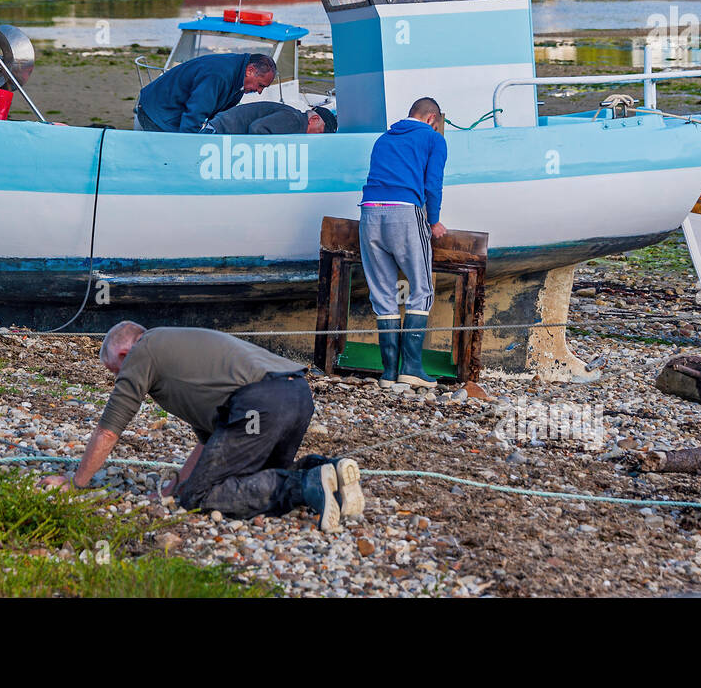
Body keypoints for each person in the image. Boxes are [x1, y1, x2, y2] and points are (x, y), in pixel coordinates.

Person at [41, 323, 363, 533]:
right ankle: (330, 474)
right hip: (295, 395)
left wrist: (76, 483)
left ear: (124, 354)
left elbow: (109, 429)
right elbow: (212, 443)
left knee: (202, 495)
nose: (120, 379)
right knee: (250, 481)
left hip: (260, 406)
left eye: (116, 372)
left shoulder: (142, 352)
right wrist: (177, 485)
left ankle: (306, 484)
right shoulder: (179, 351)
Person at [359, 97, 449, 390]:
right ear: (431, 118)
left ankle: (388, 375)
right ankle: (411, 368)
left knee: (382, 293)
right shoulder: (433, 139)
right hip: (404, 213)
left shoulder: (384, 138)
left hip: (370, 213)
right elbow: (432, 184)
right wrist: (434, 221)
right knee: (421, 289)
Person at [134, 53, 276, 133]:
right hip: (155, 113)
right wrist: (190, 146)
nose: (259, 92)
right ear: (250, 70)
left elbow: (219, 116)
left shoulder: (239, 79)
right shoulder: (219, 75)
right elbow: (195, 114)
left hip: (171, 112)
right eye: (260, 85)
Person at [205, 101, 337, 135]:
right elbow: (257, 129)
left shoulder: (293, 116)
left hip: (218, 127)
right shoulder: (295, 119)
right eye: (320, 132)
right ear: (313, 120)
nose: (318, 136)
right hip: (218, 130)